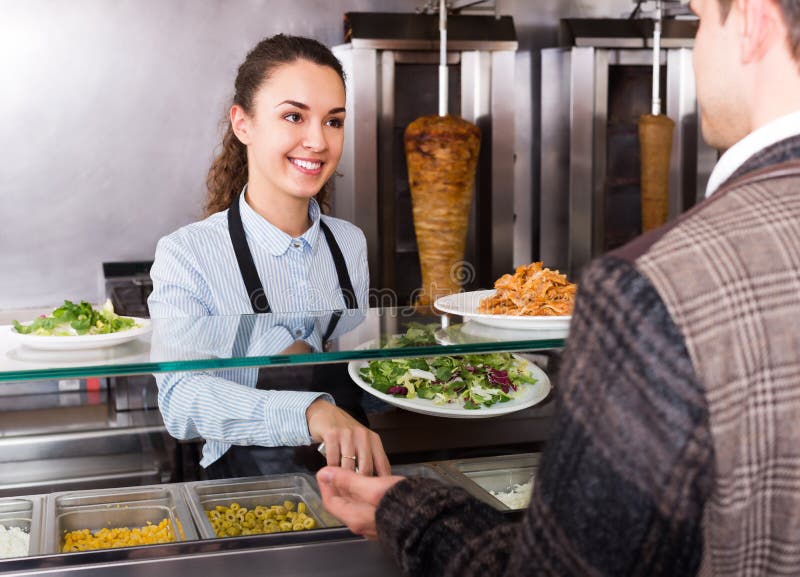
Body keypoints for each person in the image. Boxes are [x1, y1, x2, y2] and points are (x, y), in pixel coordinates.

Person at [317, 0, 800, 574]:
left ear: (750, 21)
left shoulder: (652, 287)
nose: (695, 53)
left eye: (698, 21)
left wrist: (406, 509)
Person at [148, 34, 390, 478]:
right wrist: (310, 412)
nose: (317, 141)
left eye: (333, 121)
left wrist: (440, 375)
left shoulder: (349, 243)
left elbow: (358, 374)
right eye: (294, 116)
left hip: (349, 473)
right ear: (243, 124)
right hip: (246, 490)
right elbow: (180, 401)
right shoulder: (188, 253)